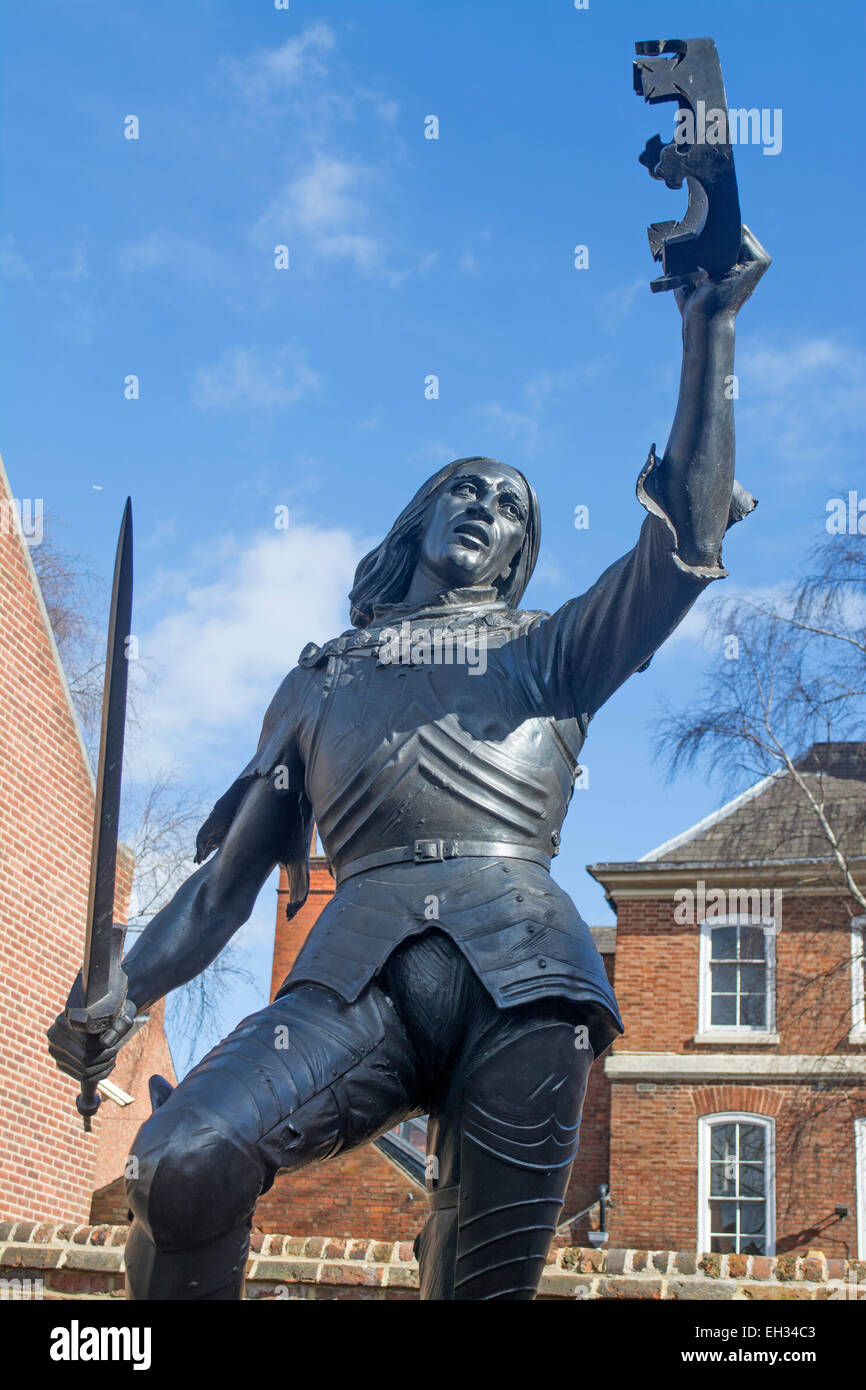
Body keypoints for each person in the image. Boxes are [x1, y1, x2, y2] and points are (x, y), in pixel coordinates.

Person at [49, 229, 770, 1300]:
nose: (488, 508)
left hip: (526, 984)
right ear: (421, 516)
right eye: (467, 490)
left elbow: (686, 542)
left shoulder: (551, 649)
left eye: (514, 509)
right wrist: (122, 988)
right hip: (351, 978)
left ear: (522, 556)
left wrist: (706, 329)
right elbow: (220, 891)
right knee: (182, 1158)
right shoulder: (321, 676)